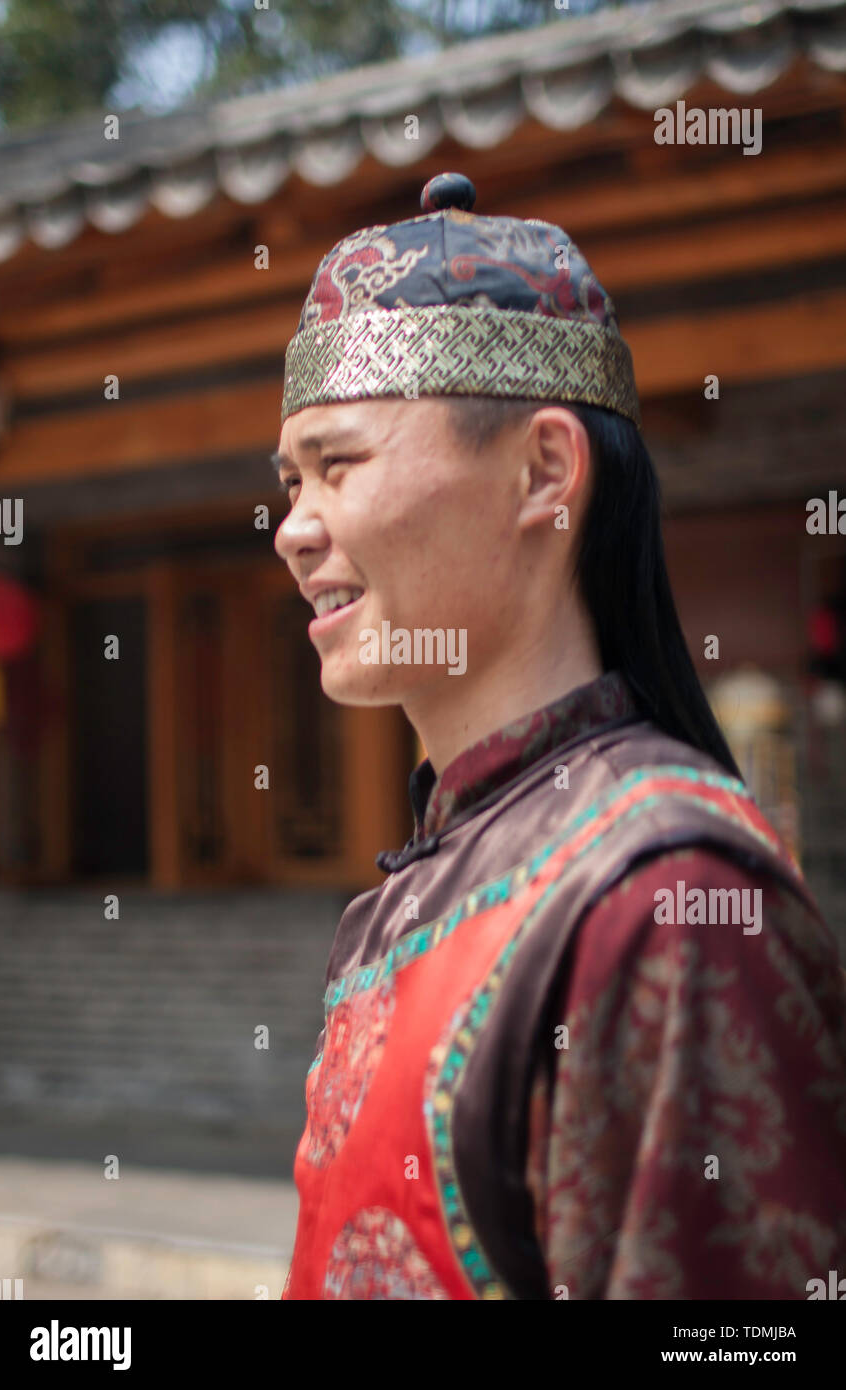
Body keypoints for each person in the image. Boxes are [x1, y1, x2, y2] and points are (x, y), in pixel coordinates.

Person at [272, 172, 846, 1300]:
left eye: (339, 466)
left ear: (543, 471)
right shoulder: (412, 886)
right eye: (288, 482)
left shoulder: (658, 896)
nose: (292, 529)